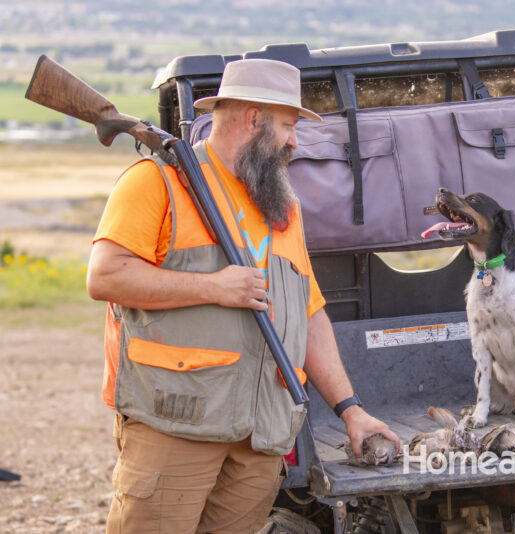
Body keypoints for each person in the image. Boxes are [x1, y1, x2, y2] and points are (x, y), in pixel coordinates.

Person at [86, 58, 400, 534]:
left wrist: (350, 409)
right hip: (177, 421)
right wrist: (212, 287)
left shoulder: (280, 206)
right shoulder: (158, 182)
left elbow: (308, 313)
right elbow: (106, 276)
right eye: (289, 126)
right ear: (253, 118)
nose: (296, 141)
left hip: (260, 435)